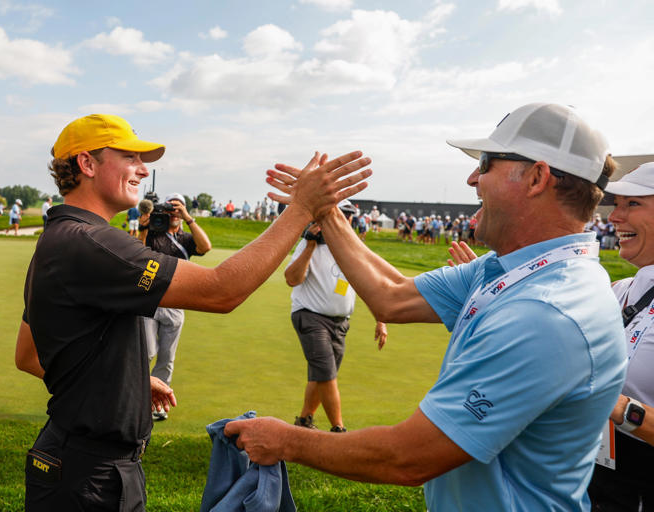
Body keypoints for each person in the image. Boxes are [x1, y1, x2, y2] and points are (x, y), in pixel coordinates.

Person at [225, 103, 628, 511]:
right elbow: (392, 295)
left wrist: (284, 439)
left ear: (538, 177)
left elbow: (408, 456)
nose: (472, 177)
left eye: (486, 163)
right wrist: (325, 208)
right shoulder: (511, 268)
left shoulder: (548, 312)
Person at [13, 113, 372, 511]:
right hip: (88, 476)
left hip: (75, 464)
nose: (142, 168)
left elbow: (29, 355)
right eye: (129, 156)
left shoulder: (60, 237)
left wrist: (124, 381)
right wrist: (302, 207)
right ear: (87, 163)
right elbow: (222, 291)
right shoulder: (92, 243)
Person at [586, 162, 654, 511]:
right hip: (597, 488)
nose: (614, 216)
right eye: (617, 203)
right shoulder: (620, 289)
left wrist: (615, 406)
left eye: (633, 204)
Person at [286, 199, 387, 433]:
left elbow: (366, 286)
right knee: (326, 372)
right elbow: (292, 278)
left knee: (321, 375)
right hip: (310, 316)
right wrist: (310, 244)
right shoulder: (309, 244)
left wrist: (380, 319)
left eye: (349, 216)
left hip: (340, 323)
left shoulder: (352, 249)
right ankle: (338, 430)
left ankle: (303, 421)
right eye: (340, 215)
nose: (346, 220)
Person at [142, 192, 212, 421]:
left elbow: (206, 247)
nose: (173, 213)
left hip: (176, 304)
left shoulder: (185, 238)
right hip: (150, 301)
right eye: (170, 208)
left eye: (177, 208)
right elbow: (136, 253)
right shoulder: (154, 232)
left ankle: (156, 404)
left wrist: (188, 217)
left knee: (166, 358)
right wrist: (144, 227)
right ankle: (137, 397)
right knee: (147, 351)